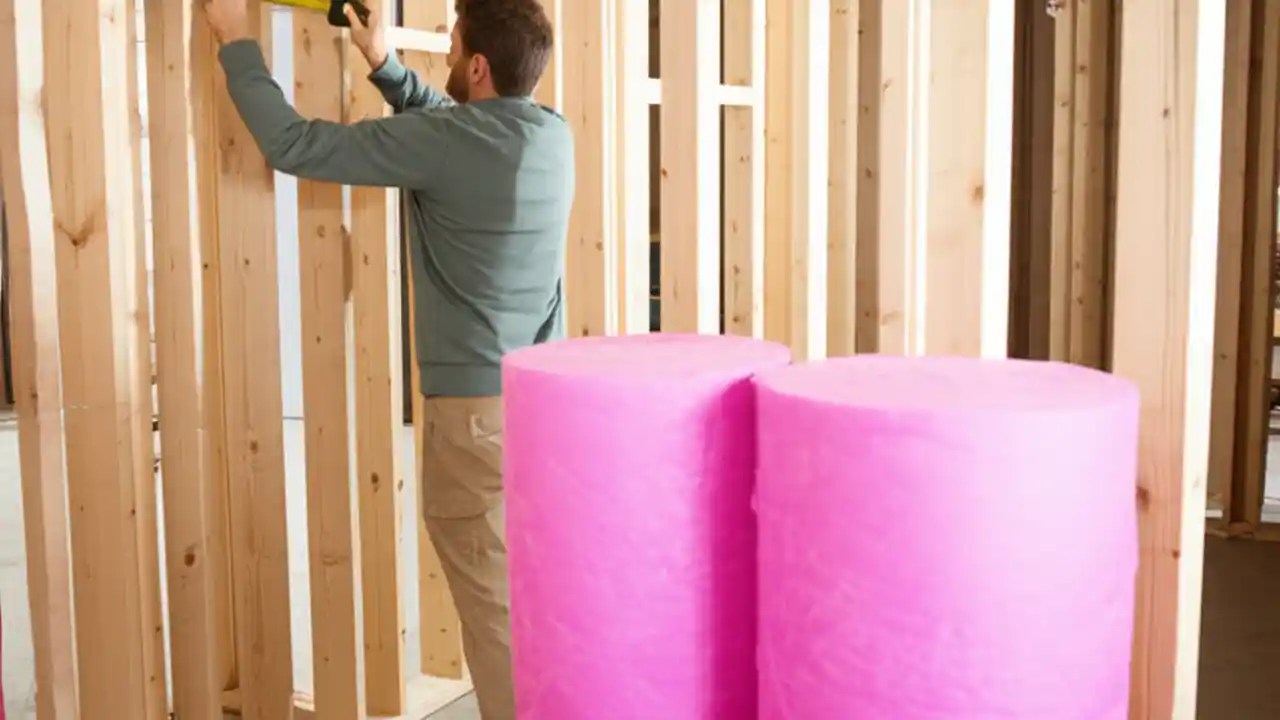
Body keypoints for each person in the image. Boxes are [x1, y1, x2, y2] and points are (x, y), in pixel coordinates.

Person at [204, 1, 573, 717]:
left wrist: (237, 43)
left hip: (472, 419)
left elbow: (294, 144)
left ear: (478, 66)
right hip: (536, 410)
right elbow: (455, 135)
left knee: (493, 608)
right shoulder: (550, 134)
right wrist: (385, 65)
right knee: (526, 592)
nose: (447, 49)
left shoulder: (449, 142)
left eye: (454, 43)